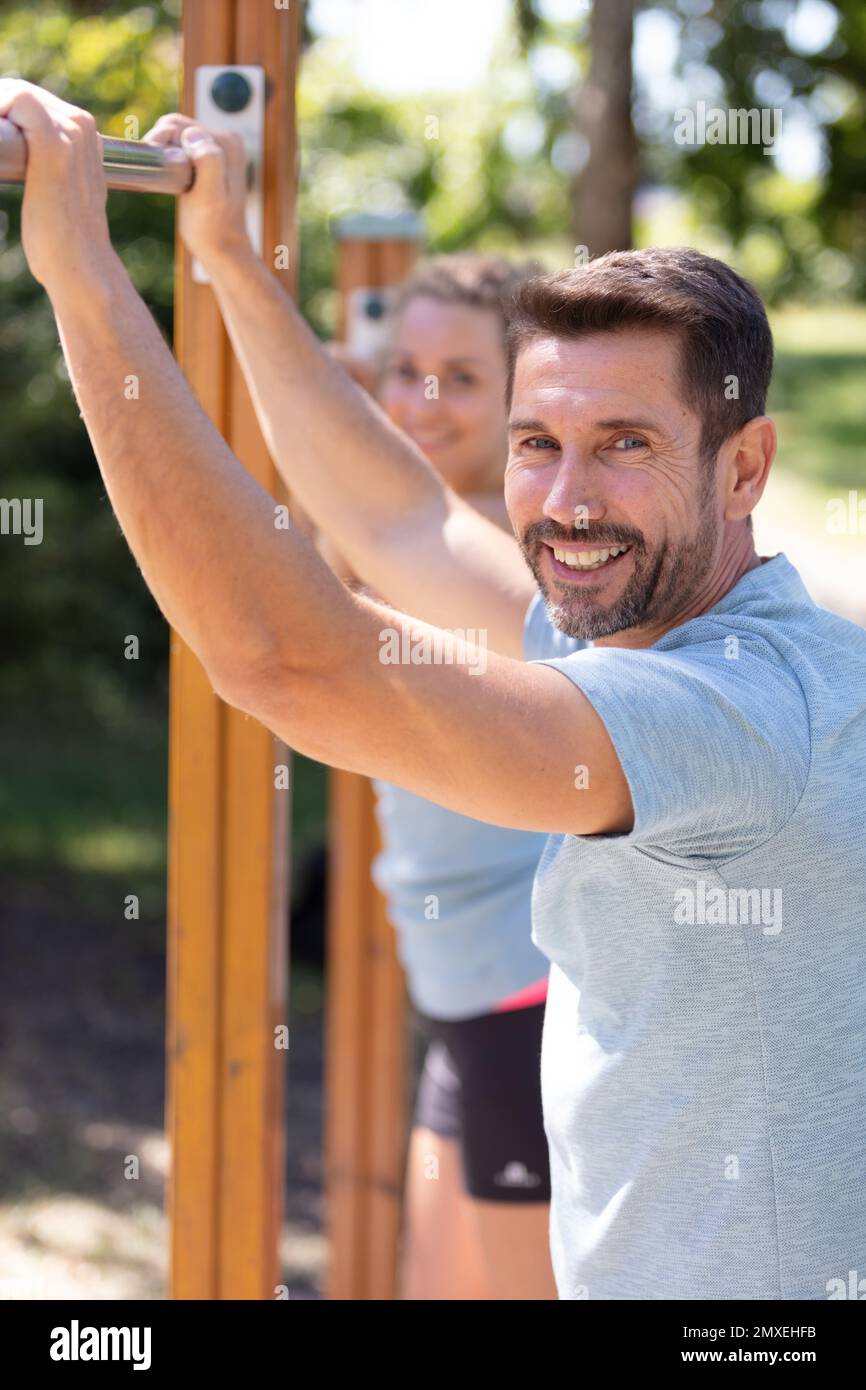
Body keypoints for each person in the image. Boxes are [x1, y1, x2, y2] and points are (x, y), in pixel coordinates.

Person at [6, 79, 866, 1300]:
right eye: (535, 443)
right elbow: (402, 517)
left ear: (745, 467)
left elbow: (296, 660)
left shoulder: (726, 715)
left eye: (624, 444)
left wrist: (85, 284)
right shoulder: (658, 631)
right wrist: (228, 265)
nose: (566, 499)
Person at [313, 255, 559, 1301]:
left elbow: (298, 629)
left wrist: (328, 438)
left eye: (461, 377)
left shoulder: (515, 555)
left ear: (520, 398)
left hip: (529, 997)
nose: (422, 400)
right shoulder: (411, 534)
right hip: (464, 994)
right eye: (405, 370)